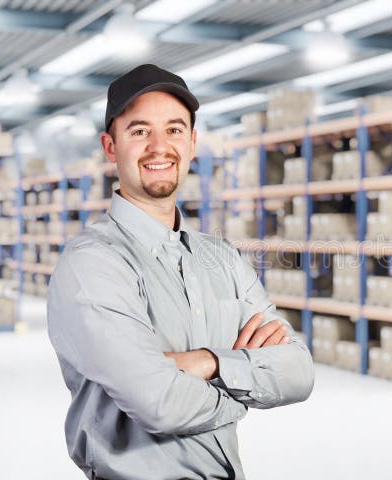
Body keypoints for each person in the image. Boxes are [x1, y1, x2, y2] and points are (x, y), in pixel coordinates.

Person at [47, 64, 314, 480]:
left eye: (174, 130)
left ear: (191, 143)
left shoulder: (222, 258)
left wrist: (207, 362)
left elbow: (299, 372)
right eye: (139, 131)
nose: (159, 147)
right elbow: (159, 403)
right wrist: (244, 389)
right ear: (110, 146)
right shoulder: (92, 263)